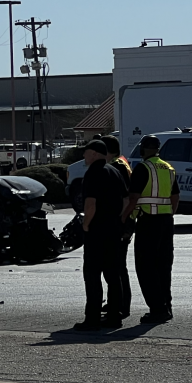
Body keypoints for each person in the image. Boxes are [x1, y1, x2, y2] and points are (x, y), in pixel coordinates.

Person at [122, 135, 180, 324]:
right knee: (164, 265)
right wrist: (169, 214)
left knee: (146, 267)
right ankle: (166, 306)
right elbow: (175, 197)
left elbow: (134, 198)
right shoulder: (168, 168)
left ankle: (157, 309)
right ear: (158, 149)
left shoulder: (143, 168)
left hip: (148, 221)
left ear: (143, 149)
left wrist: (123, 218)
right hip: (166, 221)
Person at [75, 140, 129, 332]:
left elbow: (91, 204)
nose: (84, 156)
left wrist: (86, 224)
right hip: (113, 228)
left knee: (92, 274)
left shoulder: (93, 173)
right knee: (113, 274)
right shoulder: (114, 171)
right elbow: (126, 200)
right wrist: (119, 220)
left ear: (96, 154)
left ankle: (92, 318)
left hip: (97, 230)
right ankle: (114, 316)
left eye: (86, 152)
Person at [102, 135, 132, 320]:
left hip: (121, 222)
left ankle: (121, 304)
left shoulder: (115, 167)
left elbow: (121, 198)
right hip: (126, 221)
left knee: (117, 267)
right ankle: (119, 302)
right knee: (119, 266)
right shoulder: (122, 163)